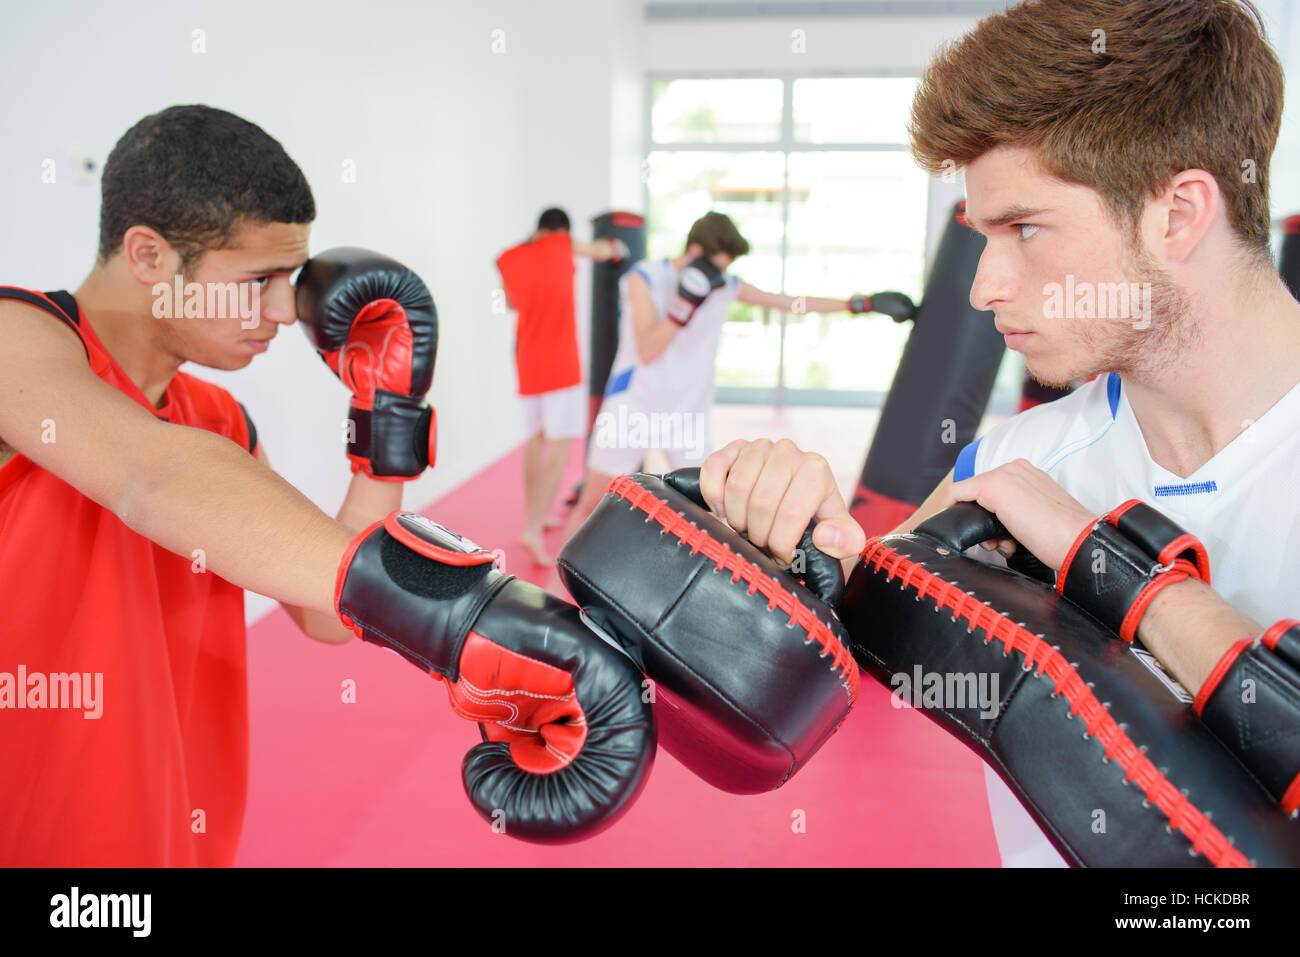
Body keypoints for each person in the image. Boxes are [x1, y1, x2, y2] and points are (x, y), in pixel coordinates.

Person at [695, 0, 1300, 866]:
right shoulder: (1018, 466)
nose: (983, 288)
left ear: (1177, 214)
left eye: (1024, 227)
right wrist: (788, 533)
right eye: (984, 235)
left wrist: (1107, 564)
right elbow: (806, 669)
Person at [0, 107, 647, 865]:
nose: (282, 310)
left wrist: (386, 422)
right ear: (147, 254)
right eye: (258, 280)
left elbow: (327, 612)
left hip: (177, 828)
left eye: (292, 279)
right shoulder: (22, 340)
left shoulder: (217, 421)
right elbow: (150, 476)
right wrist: (463, 618)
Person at [557, 210, 876, 556]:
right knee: (593, 504)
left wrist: (857, 304)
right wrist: (683, 307)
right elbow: (648, 349)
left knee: (709, 514)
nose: (721, 275)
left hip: (686, 414)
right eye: (717, 266)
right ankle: (556, 593)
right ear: (695, 252)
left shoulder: (724, 285)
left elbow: (788, 303)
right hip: (633, 405)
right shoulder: (644, 277)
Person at [495, 208, 621, 565]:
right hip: (561, 365)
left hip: (527, 360)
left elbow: (511, 303)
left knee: (536, 441)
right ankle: (532, 528)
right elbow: (605, 251)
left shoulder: (508, 257)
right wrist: (616, 245)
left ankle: (535, 517)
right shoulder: (564, 243)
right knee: (561, 446)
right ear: (562, 229)